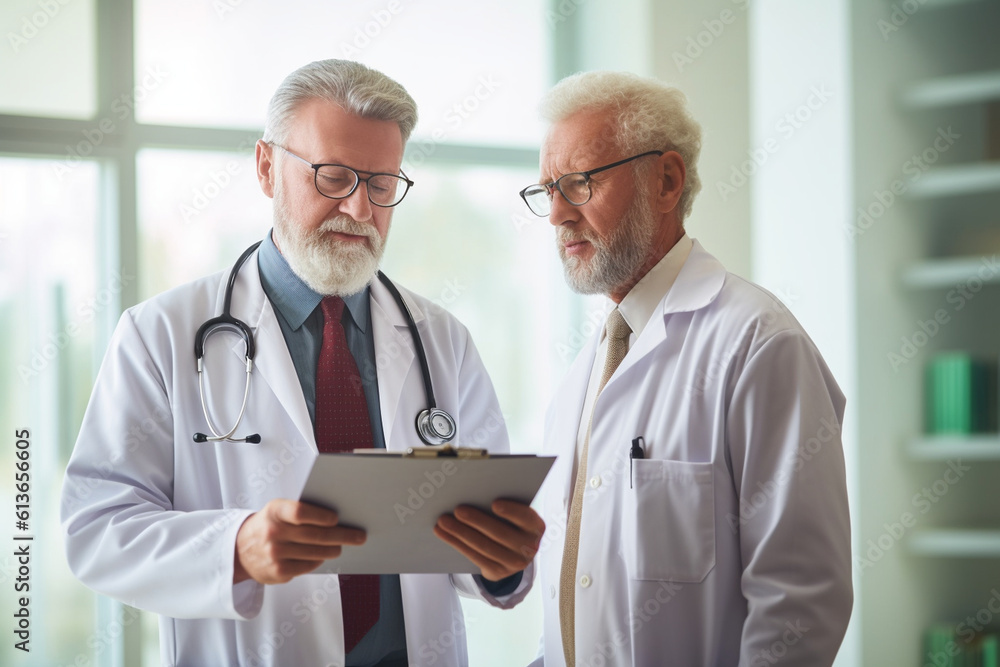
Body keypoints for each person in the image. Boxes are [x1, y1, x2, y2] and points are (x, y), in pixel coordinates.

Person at [61, 59, 544, 667]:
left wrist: (499, 567)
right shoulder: (159, 335)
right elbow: (97, 528)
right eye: (334, 177)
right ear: (267, 167)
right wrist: (235, 549)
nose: (361, 210)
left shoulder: (442, 340)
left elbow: (483, 535)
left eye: (381, 185)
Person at [519, 71, 852, 666]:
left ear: (666, 180)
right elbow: (571, 587)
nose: (557, 216)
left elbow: (800, 605)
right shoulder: (583, 371)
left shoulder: (757, 342)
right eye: (546, 190)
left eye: (580, 183)